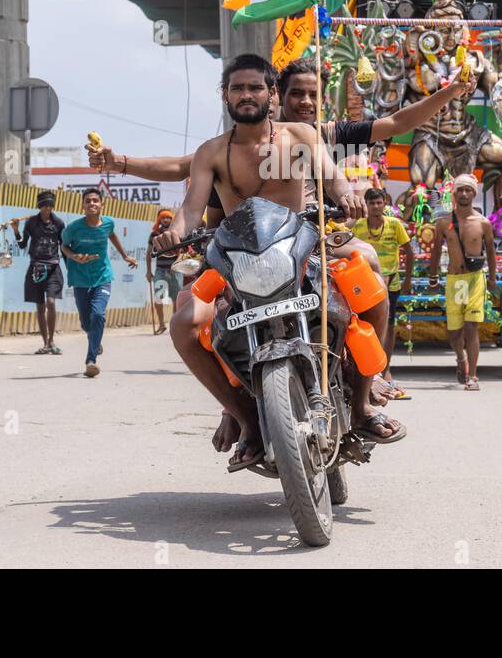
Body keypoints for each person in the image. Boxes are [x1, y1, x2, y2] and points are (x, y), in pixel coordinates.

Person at [151, 54, 397, 473]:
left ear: (271, 95)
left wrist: (348, 196)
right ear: (225, 96)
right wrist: (176, 233)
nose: (245, 95)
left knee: (372, 292)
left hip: (301, 251)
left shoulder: (299, 135)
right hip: (238, 263)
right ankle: (245, 419)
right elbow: (191, 211)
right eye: (236, 88)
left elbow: (333, 177)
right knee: (184, 325)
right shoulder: (210, 152)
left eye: (254, 88)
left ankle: (361, 402)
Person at [429, 174, 497, 390]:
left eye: (468, 190)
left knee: (471, 327)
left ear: (474, 194)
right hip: (454, 281)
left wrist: (493, 278)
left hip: (475, 280)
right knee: (454, 332)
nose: (464, 194)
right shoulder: (443, 223)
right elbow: (436, 252)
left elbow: (492, 253)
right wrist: (432, 278)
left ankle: (473, 376)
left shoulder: (483, 223)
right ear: (454, 194)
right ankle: (460, 358)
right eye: (461, 190)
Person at [62, 187, 138, 377]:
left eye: (95, 200)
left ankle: (91, 360)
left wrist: (125, 255)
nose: (92, 204)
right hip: (79, 277)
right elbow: (64, 246)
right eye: (88, 201)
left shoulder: (108, 223)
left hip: (102, 277)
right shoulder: (74, 228)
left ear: (101, 204)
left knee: (98, 315)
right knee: (86, 323)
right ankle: (95, 338)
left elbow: (111, 234)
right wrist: (74, 257)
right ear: (83, 206)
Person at [352, 187, 415, 397]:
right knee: (364, 325)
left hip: (391, 284)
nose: (376, 207)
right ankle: (367, 369)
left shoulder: (395, 225)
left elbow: (409, 251)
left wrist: (407, 278)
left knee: (388, 326)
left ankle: (384, 368)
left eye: (379, 203)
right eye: (372, 203)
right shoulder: (358, 226)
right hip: (364, 285)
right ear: (367, 206)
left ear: (384, 204)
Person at [12, 191, 65, 355]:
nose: (47, 208)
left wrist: (72, 266)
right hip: (36, 268)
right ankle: (45, 343)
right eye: (44, 205)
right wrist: (16, 230)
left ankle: (52, 341)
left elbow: (64, 246)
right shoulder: (31, 223)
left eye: (50, 205)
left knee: (50, 302)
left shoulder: (59, 224)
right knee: (40, 306)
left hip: (53, 268)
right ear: (39, 206)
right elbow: (22, 245)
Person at [146, 209, 181, 336]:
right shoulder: (154, 234)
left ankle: (174, 325)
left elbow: (181, 252)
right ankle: (161, 324)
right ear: (159, 220)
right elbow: (149, 253)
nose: (165, 220)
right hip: (160, 271)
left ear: (172, 219)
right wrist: (148, 271)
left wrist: (176, 264)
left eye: (168, 218)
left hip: (175, 271)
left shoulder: (175, 233)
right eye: (163, 218)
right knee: (158, 298)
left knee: (176, 299)